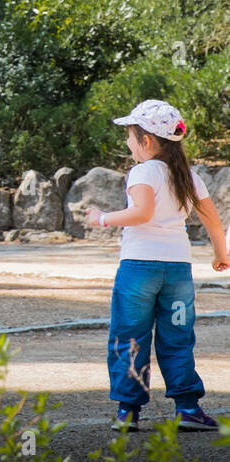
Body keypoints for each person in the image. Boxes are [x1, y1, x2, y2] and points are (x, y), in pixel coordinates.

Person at [85, 100, 228, 431]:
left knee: (130, 335)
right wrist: (221, 254)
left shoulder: (143, 171)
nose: (127, 143)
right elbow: (214, 223)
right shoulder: (189, 177)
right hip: (177, 270)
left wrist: (102, 218)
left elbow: (142, 213)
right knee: (177, 337)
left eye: (130, 136)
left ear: (146, 141)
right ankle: (188, 408)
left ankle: (128, 411)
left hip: (138, 269)